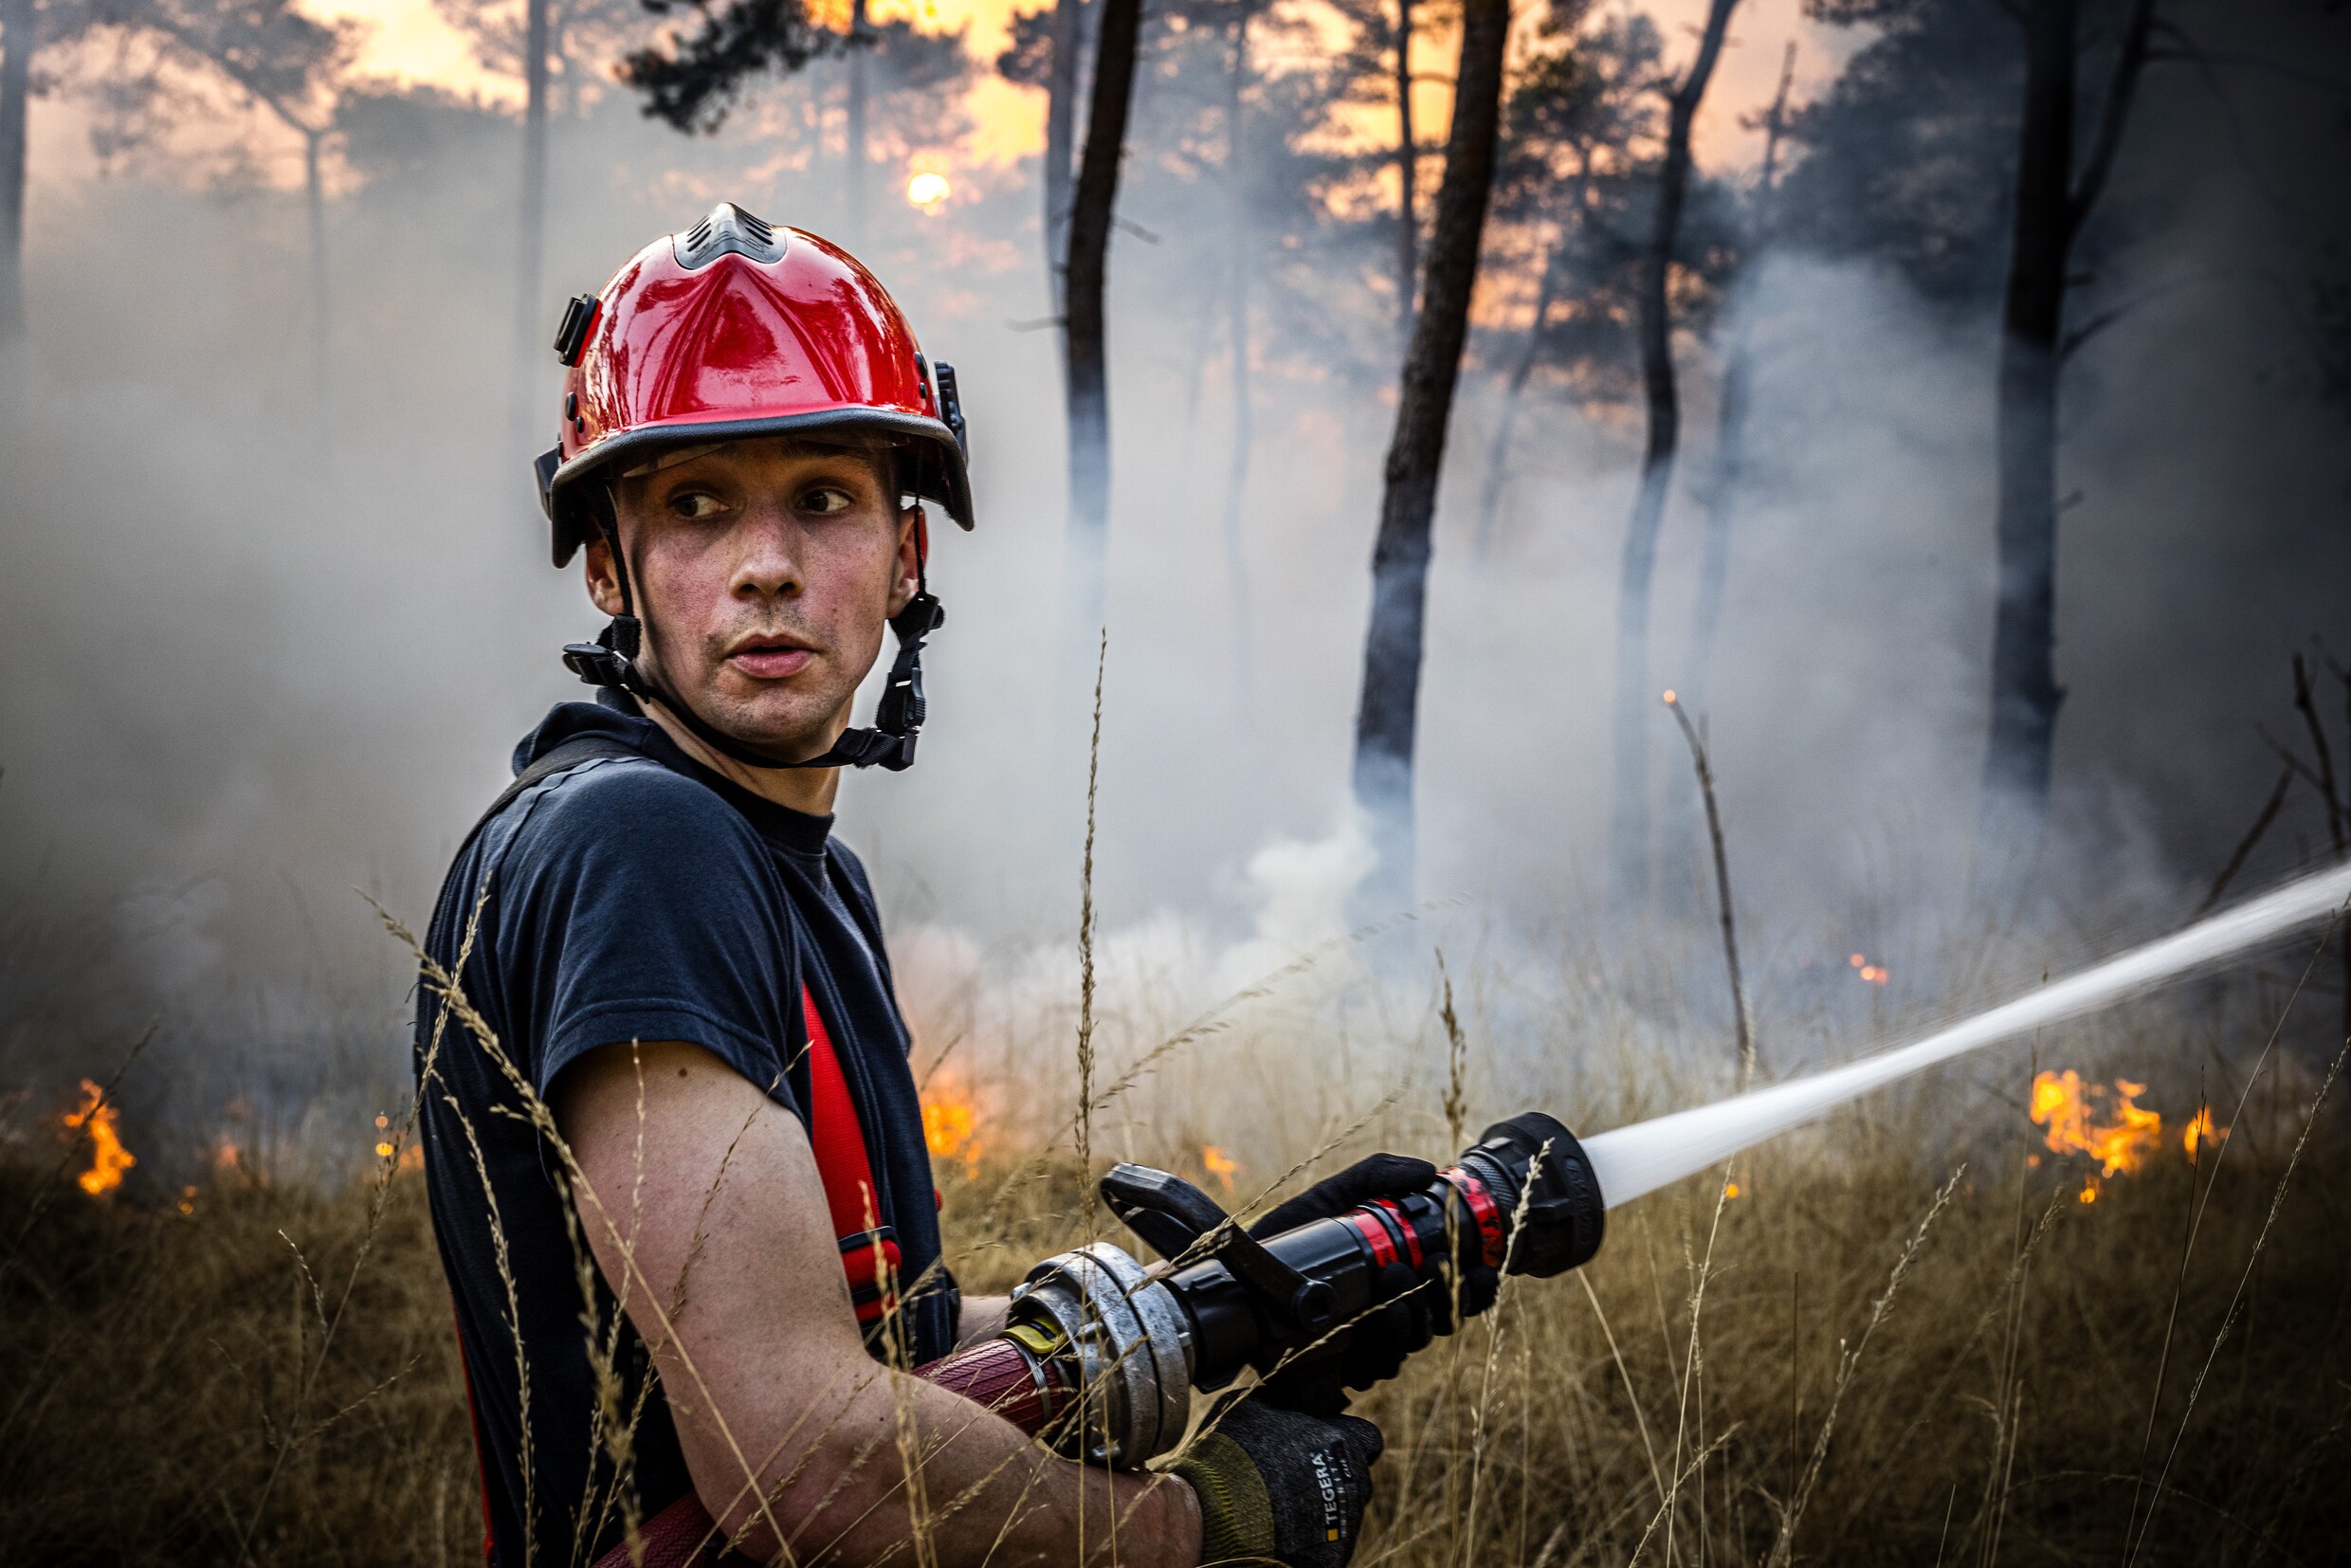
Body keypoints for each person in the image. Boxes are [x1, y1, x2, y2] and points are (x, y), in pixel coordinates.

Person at [413, 203, 1454, 1568]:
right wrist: (1198, 1529)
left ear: (909, 557)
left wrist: (1226, 1299)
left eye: (826, 498)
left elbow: (871, 1341)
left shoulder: (793, 871)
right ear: (612, 566)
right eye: (696, 505)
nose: (768, 561)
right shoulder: (636, 850)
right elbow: (803, 1455)